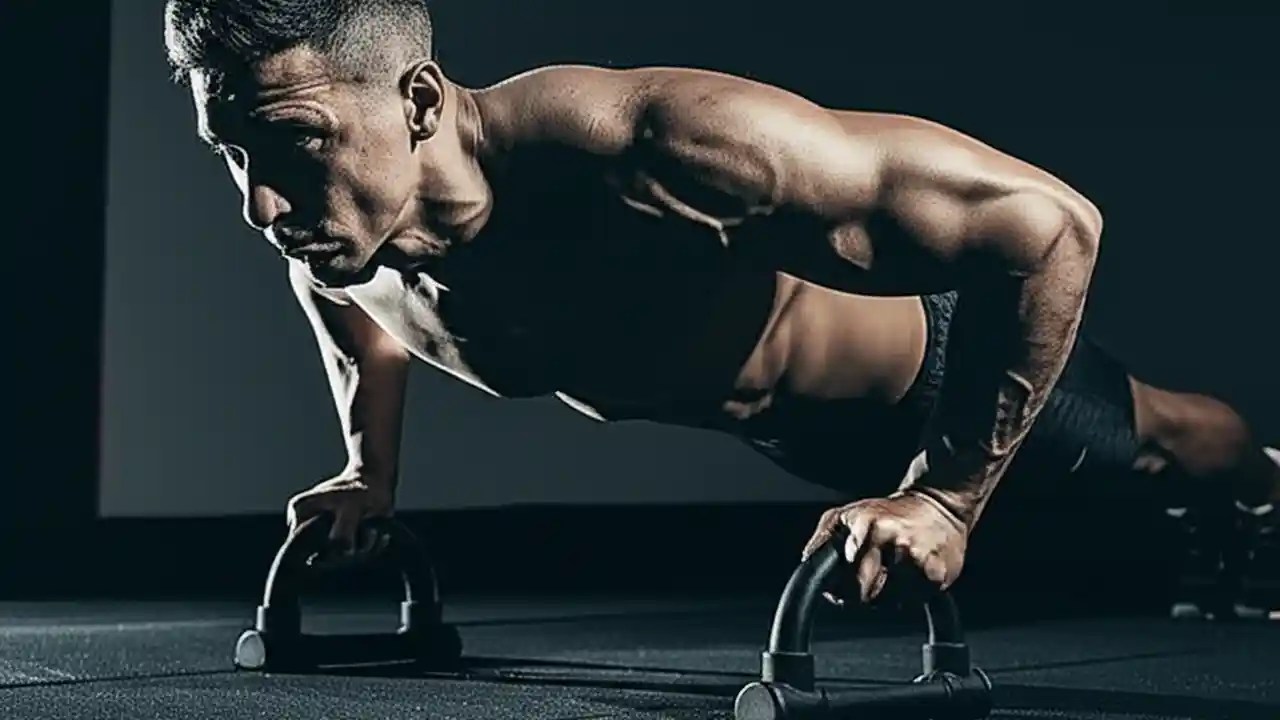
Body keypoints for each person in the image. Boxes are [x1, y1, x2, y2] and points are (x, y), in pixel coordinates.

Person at [160, 0, 1275, 618]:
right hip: (802, 439)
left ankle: (1262, 490)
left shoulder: (648, 145)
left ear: (416, 100)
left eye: (294, 145)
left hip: (925, 376)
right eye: (233, 154)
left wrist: (943, 493)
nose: (260, 207)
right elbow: (345, 306)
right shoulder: (348, 237)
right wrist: (368, 471)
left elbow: (1048, 225)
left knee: (1173, 445)